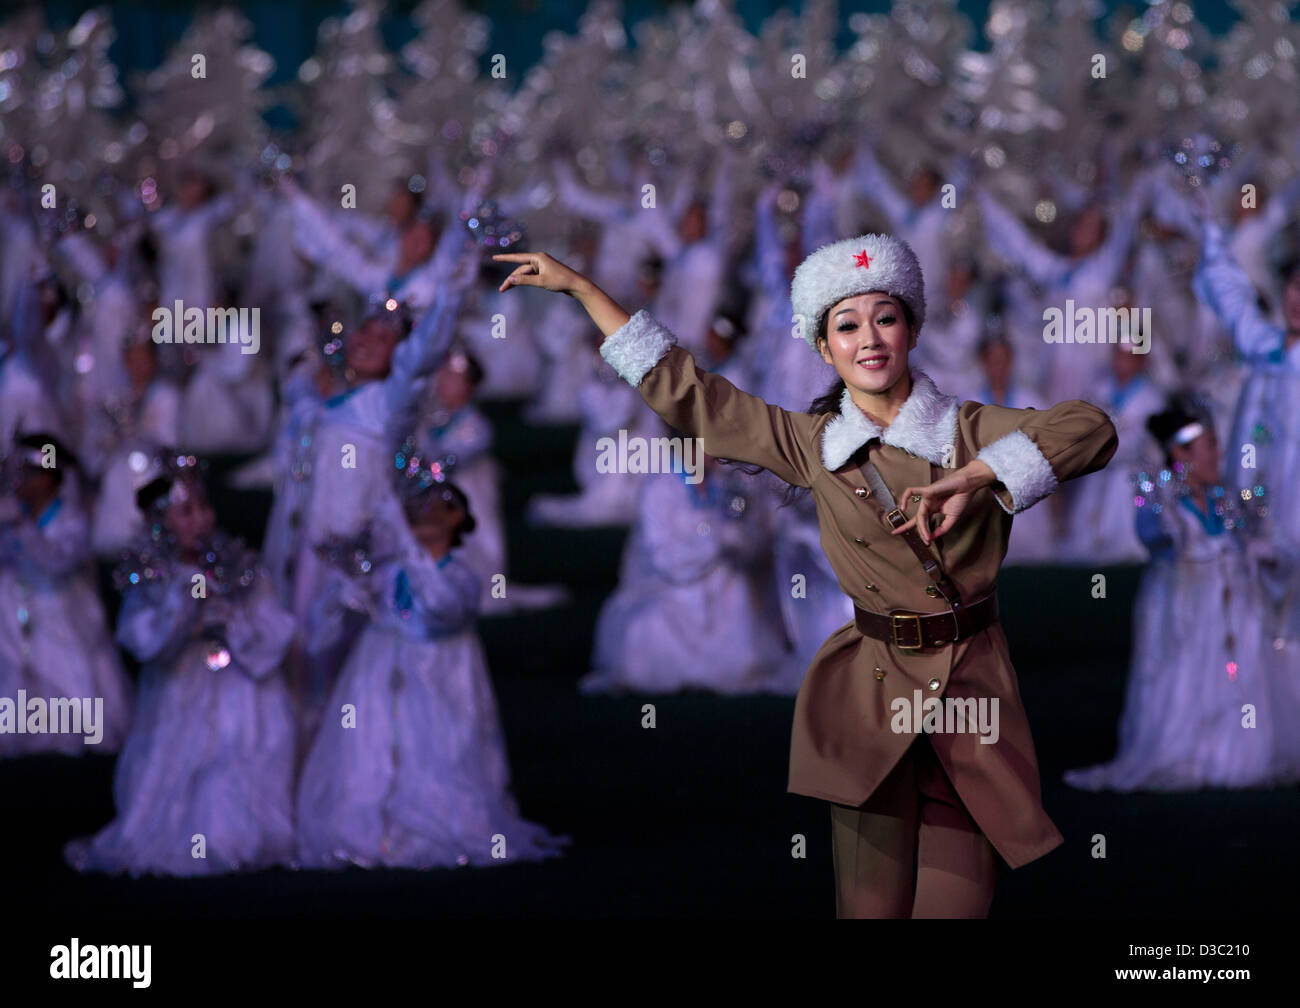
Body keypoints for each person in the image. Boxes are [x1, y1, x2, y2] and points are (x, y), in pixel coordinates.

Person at [494, 235, 1117, 918]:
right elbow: (690, 396)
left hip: (972, 692)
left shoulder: (972, 429)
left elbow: (1090, 427)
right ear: (824, 349)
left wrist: (980, 473)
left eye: (886, 317)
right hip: (868, 693)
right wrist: (585, 290)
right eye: (846, 325)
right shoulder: (812, 444)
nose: (869, 338)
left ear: (912, 327)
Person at [295, 475, 567, 869]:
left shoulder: (461, 578)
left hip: (437, 685)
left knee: (434, 755)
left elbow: (439, 606)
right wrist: (346, 584)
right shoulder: (391, 572)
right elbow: (331, 624)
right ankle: (376, 830)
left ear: (457, 518)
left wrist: (403, 543)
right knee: (370, 748)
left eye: (439, 505)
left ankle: (426, 825)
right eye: (418, 506)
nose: (424, 511)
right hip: (375, 676)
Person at [64, 459, 297, 875]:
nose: (201, 521)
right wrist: (185, 605)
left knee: (232, 756)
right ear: (162, 522)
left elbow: (272, 633)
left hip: (235, 690)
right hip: (179, 692)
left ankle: (235, 834)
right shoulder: (153, 575)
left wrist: (232, 622)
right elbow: (146, 641)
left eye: (204, 508)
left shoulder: (239, 567)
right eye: (185, 512)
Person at [1064, 403, 1292, 790]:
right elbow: (1158, 539)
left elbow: (1257, 541)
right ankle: (1191, 751)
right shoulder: (1164, 503)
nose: (1218, 454)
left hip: (1234, 623)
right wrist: (1158, 501)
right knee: (1187, 686)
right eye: (1209, 446)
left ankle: (1232, 752)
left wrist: (1263, 555)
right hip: (1187, 620)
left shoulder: (1225, 500)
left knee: (1236, 679)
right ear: (1180, 454)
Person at [0, 433, 131, 756]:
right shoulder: (14, 518)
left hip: (62, 610)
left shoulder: (73, 520)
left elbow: (57, 564)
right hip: (17, 610)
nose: (19, 482)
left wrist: (23, 530)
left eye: (27, 474)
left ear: (47, 478)